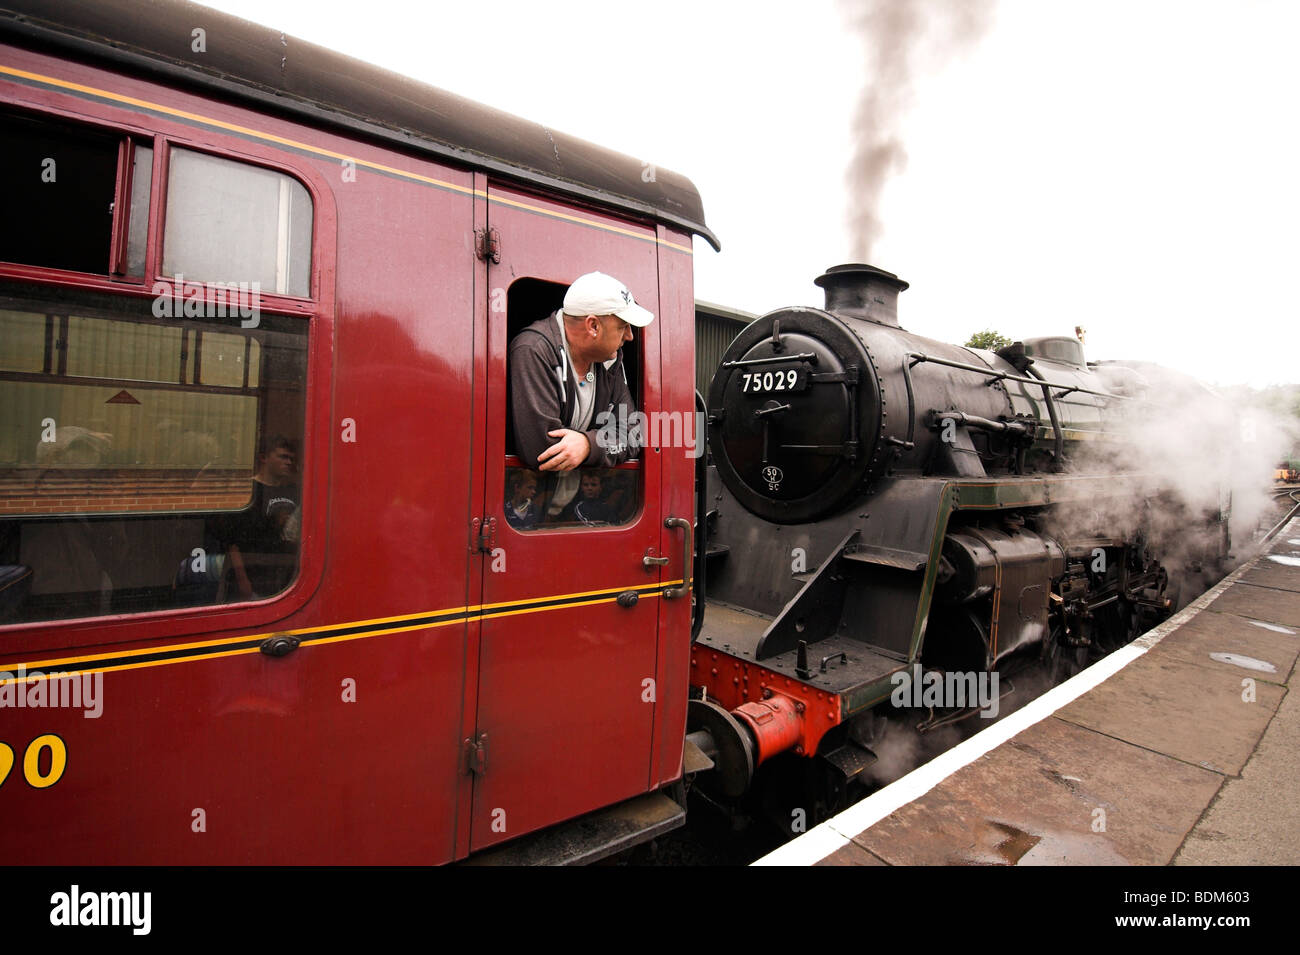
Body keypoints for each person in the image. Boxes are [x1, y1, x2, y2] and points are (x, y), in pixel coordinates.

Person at [509, 271, 653, 475]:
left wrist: (588, 445)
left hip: (573, 498)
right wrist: (602, 441)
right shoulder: (533, 350)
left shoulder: (610, 361)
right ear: (593, 326)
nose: (630, 336)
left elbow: (634, 432)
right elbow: (544, 451)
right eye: (623, 326)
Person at [224, 435, 300, 600]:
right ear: (264, 457)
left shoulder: (293, 491)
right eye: (283, 457)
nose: (289, 462)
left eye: (292, 459)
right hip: (255, 576)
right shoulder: (249, 492)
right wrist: (242, 580)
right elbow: (233, 544)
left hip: (287, 578)